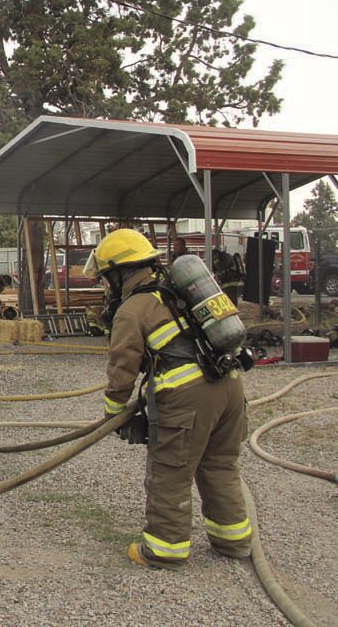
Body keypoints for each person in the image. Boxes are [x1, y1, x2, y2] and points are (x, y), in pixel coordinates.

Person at [85, 229, 251, 570]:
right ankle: (232, 540)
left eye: (106, 279)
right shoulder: (177, 290)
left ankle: (164, 550)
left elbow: (122, 367)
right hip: (229, 385)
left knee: (170, 471)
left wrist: (115, 413)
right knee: (219, 464)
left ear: (120, 272)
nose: (106, 287)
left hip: (188, 397)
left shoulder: (133, 307)